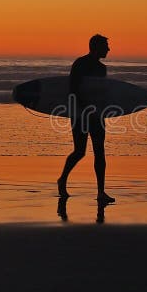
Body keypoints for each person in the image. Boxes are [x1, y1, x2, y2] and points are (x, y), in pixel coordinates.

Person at [57, 34, 115, 218]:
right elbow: (73, 89)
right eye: (106, 46)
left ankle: (100, 192)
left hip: (97, 115)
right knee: (80, 151)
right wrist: (82, 108)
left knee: (100, 152)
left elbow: (101, 93)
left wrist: (106, 110)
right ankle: (62, 179)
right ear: (96, 47)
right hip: (80, 114)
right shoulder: (80, 64)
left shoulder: (102, 69)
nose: (108, 49)